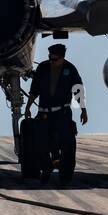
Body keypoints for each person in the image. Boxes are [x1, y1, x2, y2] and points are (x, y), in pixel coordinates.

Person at [23, 43, 88, 184]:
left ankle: (65, 177)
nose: (51, 61)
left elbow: (78, 90)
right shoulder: (43, 68)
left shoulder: (70, 69)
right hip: (44, 114)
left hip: (62, 113)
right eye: (49, 58)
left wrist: (83, 110)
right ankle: (47, 167)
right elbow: (34, 90)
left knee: (68, 144)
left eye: (54, 59)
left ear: (62, 58)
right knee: (39, 143)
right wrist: (28, 107)